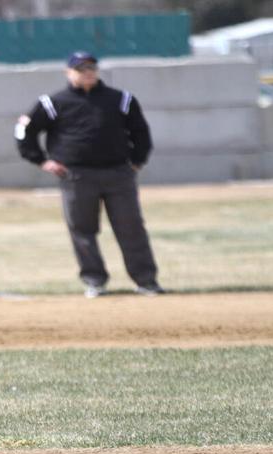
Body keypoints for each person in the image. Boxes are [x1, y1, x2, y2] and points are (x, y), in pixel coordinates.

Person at [16, 51, 165, 299]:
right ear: (69, 72)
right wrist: (42, 160)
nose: (87, 73)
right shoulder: (53, 103)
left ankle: (146, 280)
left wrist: (137, 161)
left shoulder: (121, 99)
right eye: (81, 69)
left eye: (91, 68)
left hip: (118, 173)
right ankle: (95, 280)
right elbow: (24, 132)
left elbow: (141, 132)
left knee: (131, 228)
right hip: (76, 176)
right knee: (83, 231)